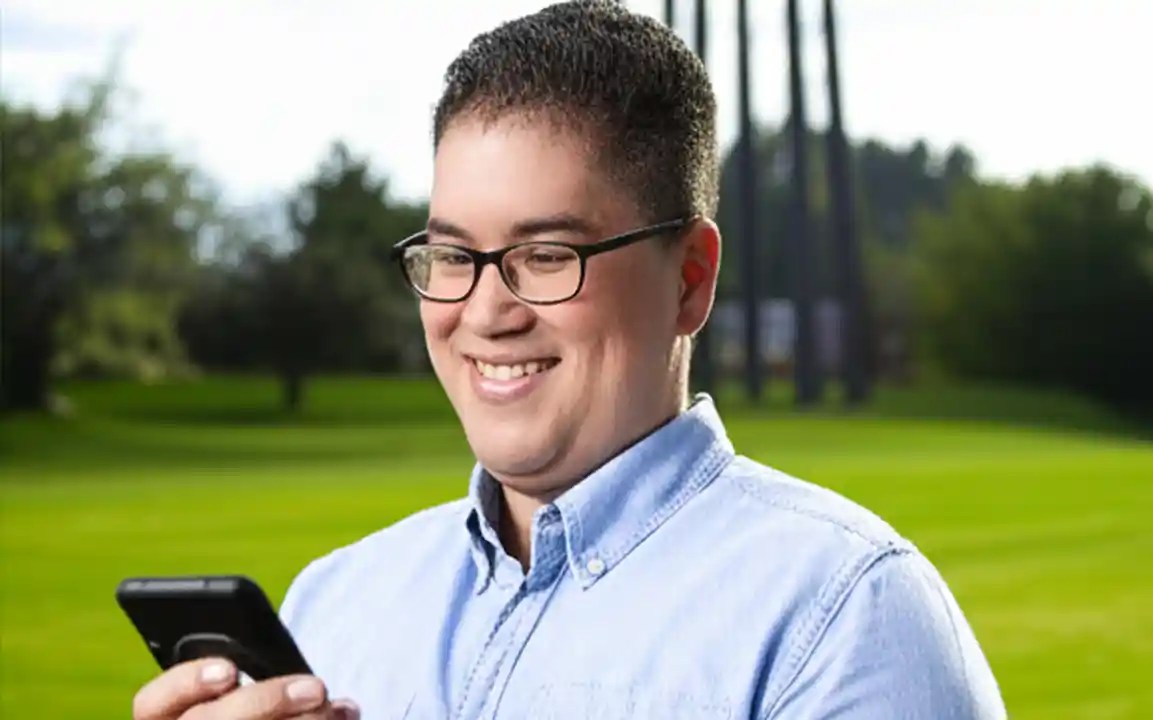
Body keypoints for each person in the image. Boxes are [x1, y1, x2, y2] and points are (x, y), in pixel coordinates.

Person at [131, 2, 1006, 718]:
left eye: (547, 255)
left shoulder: (848, 615)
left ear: (690, 281)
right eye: (452, 257)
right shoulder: (332, 604)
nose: (484, 311)